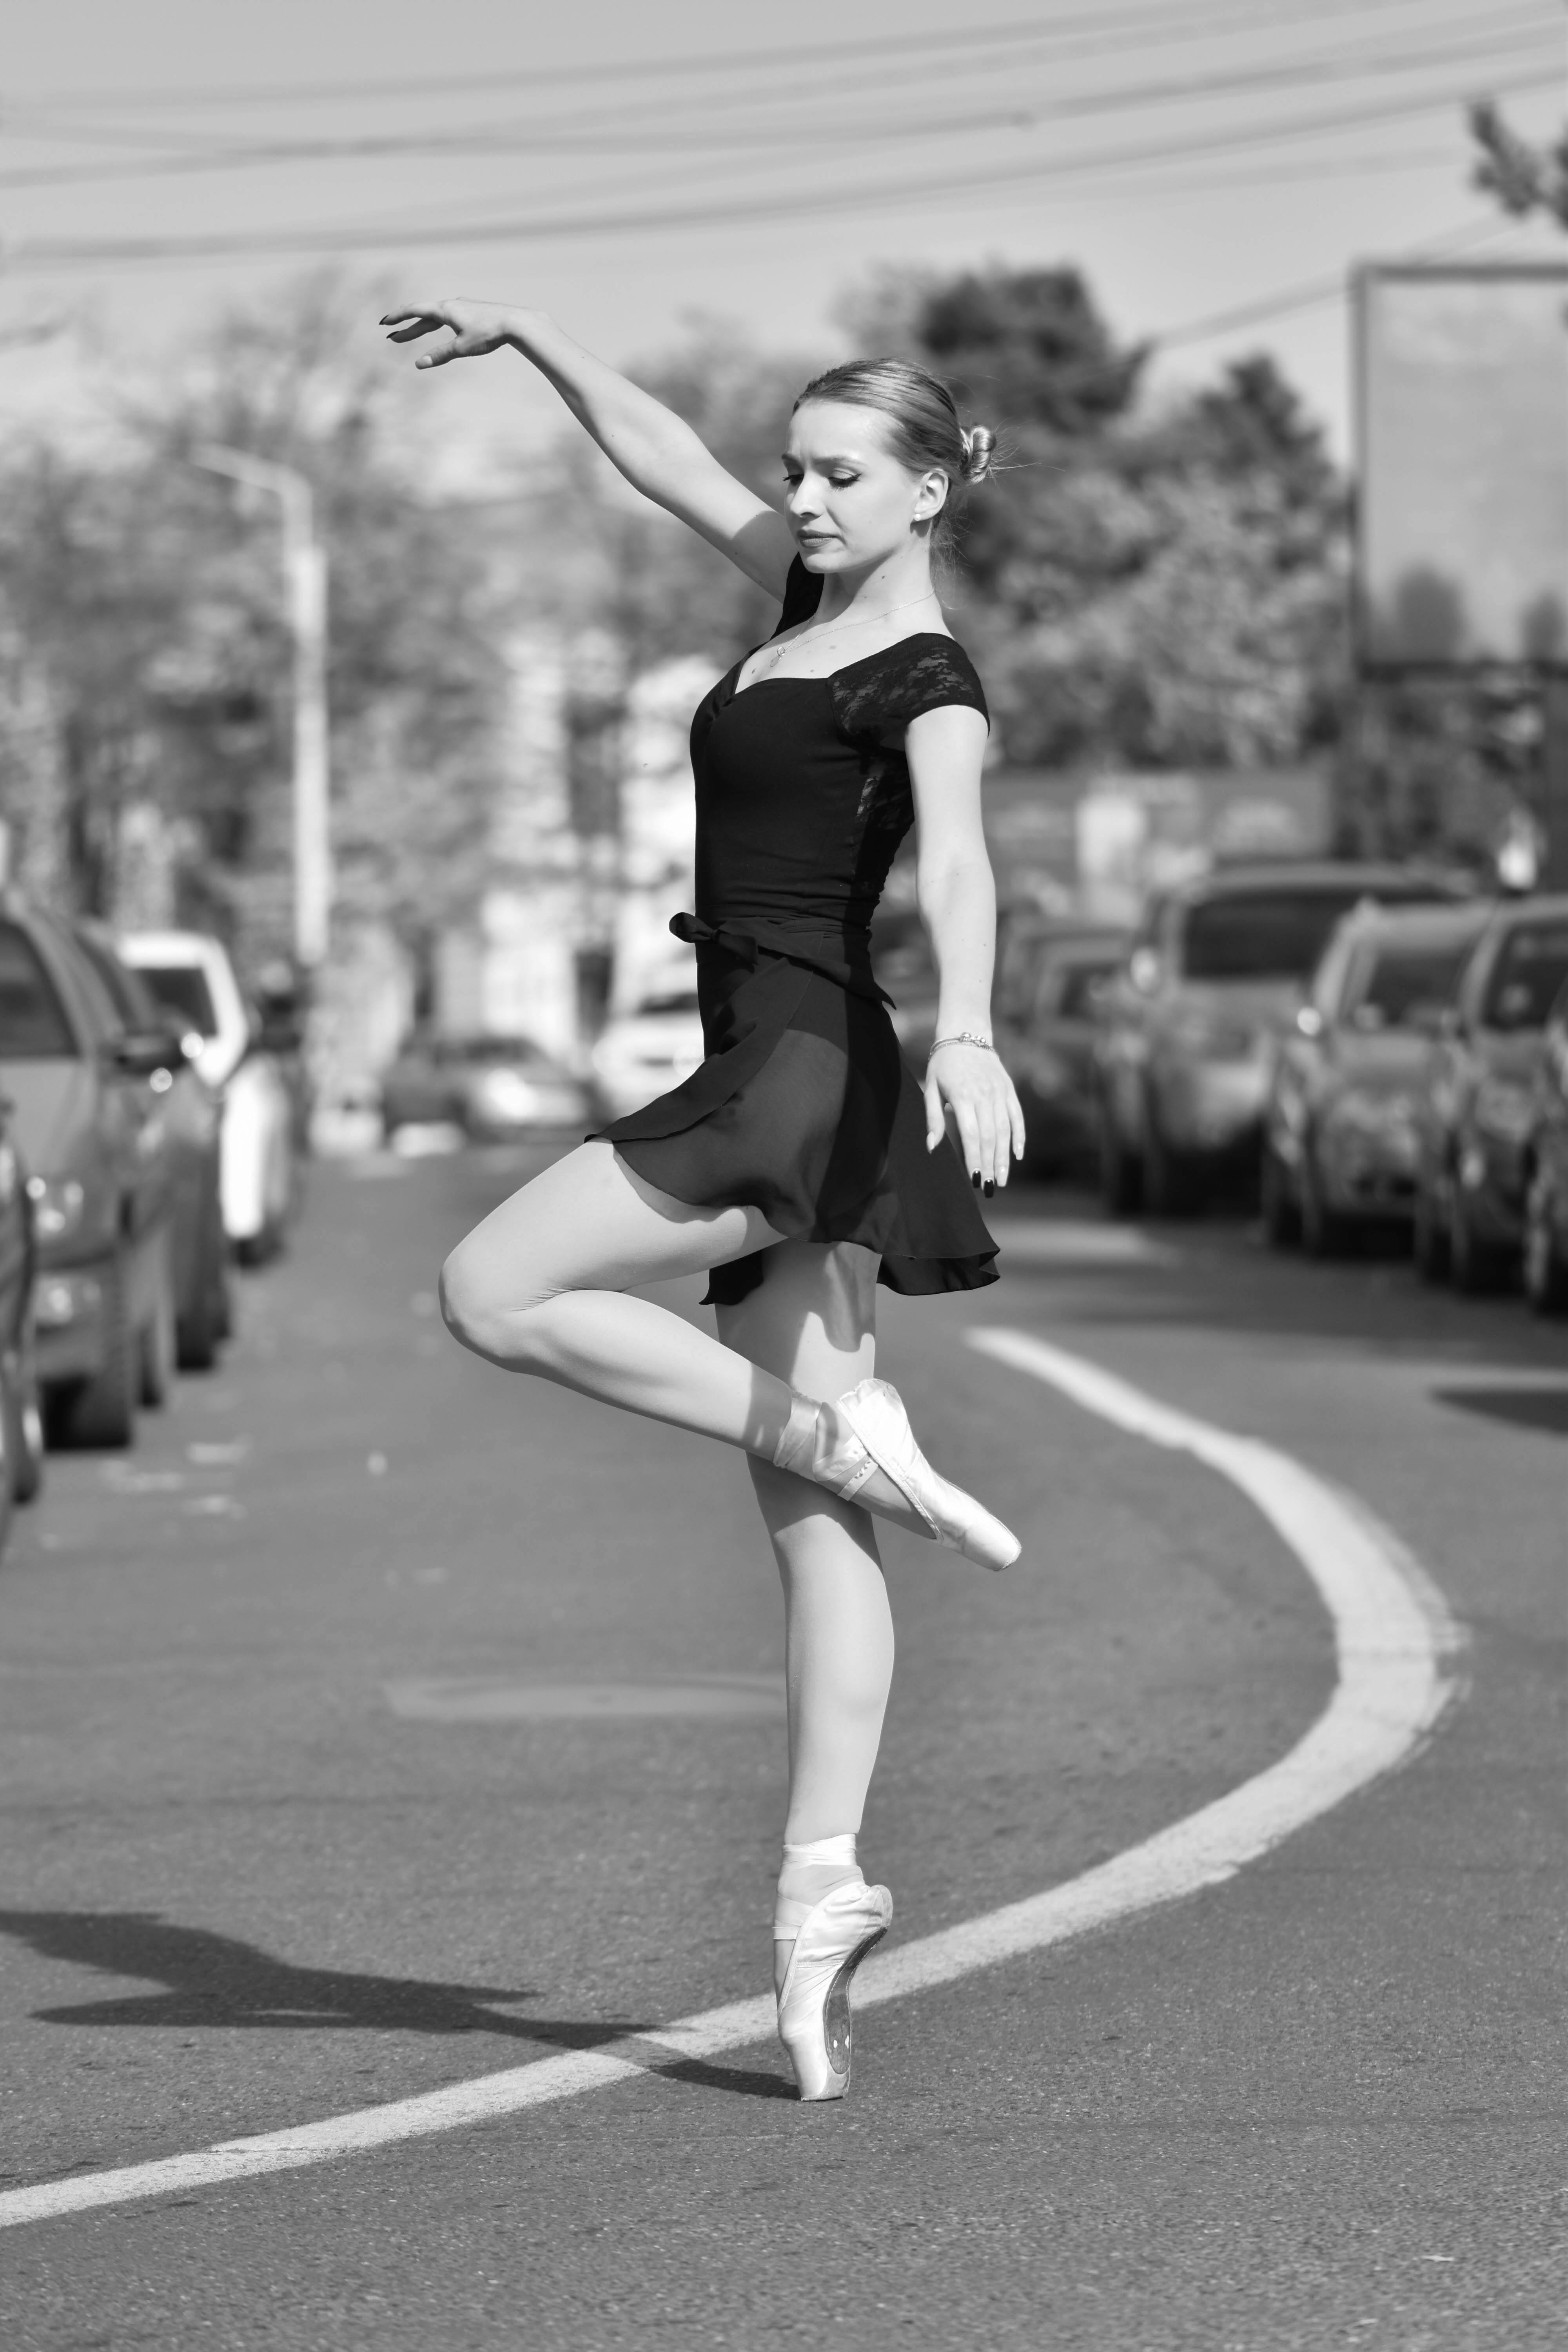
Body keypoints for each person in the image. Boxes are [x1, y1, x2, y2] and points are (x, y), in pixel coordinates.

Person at [381, 298, 1026, 2101]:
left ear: (926, 493)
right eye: (794, 472)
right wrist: (533, 339)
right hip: (770, 1052)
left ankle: (848, 1441)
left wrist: (974, 1027)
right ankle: (821, 1898)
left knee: (494, 1288)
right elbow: (662, 454)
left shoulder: (924, 677)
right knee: (816, 1525)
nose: (802, 499)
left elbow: (959, 861)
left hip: (802, 1068)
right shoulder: (800, 604)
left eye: (840, 478)